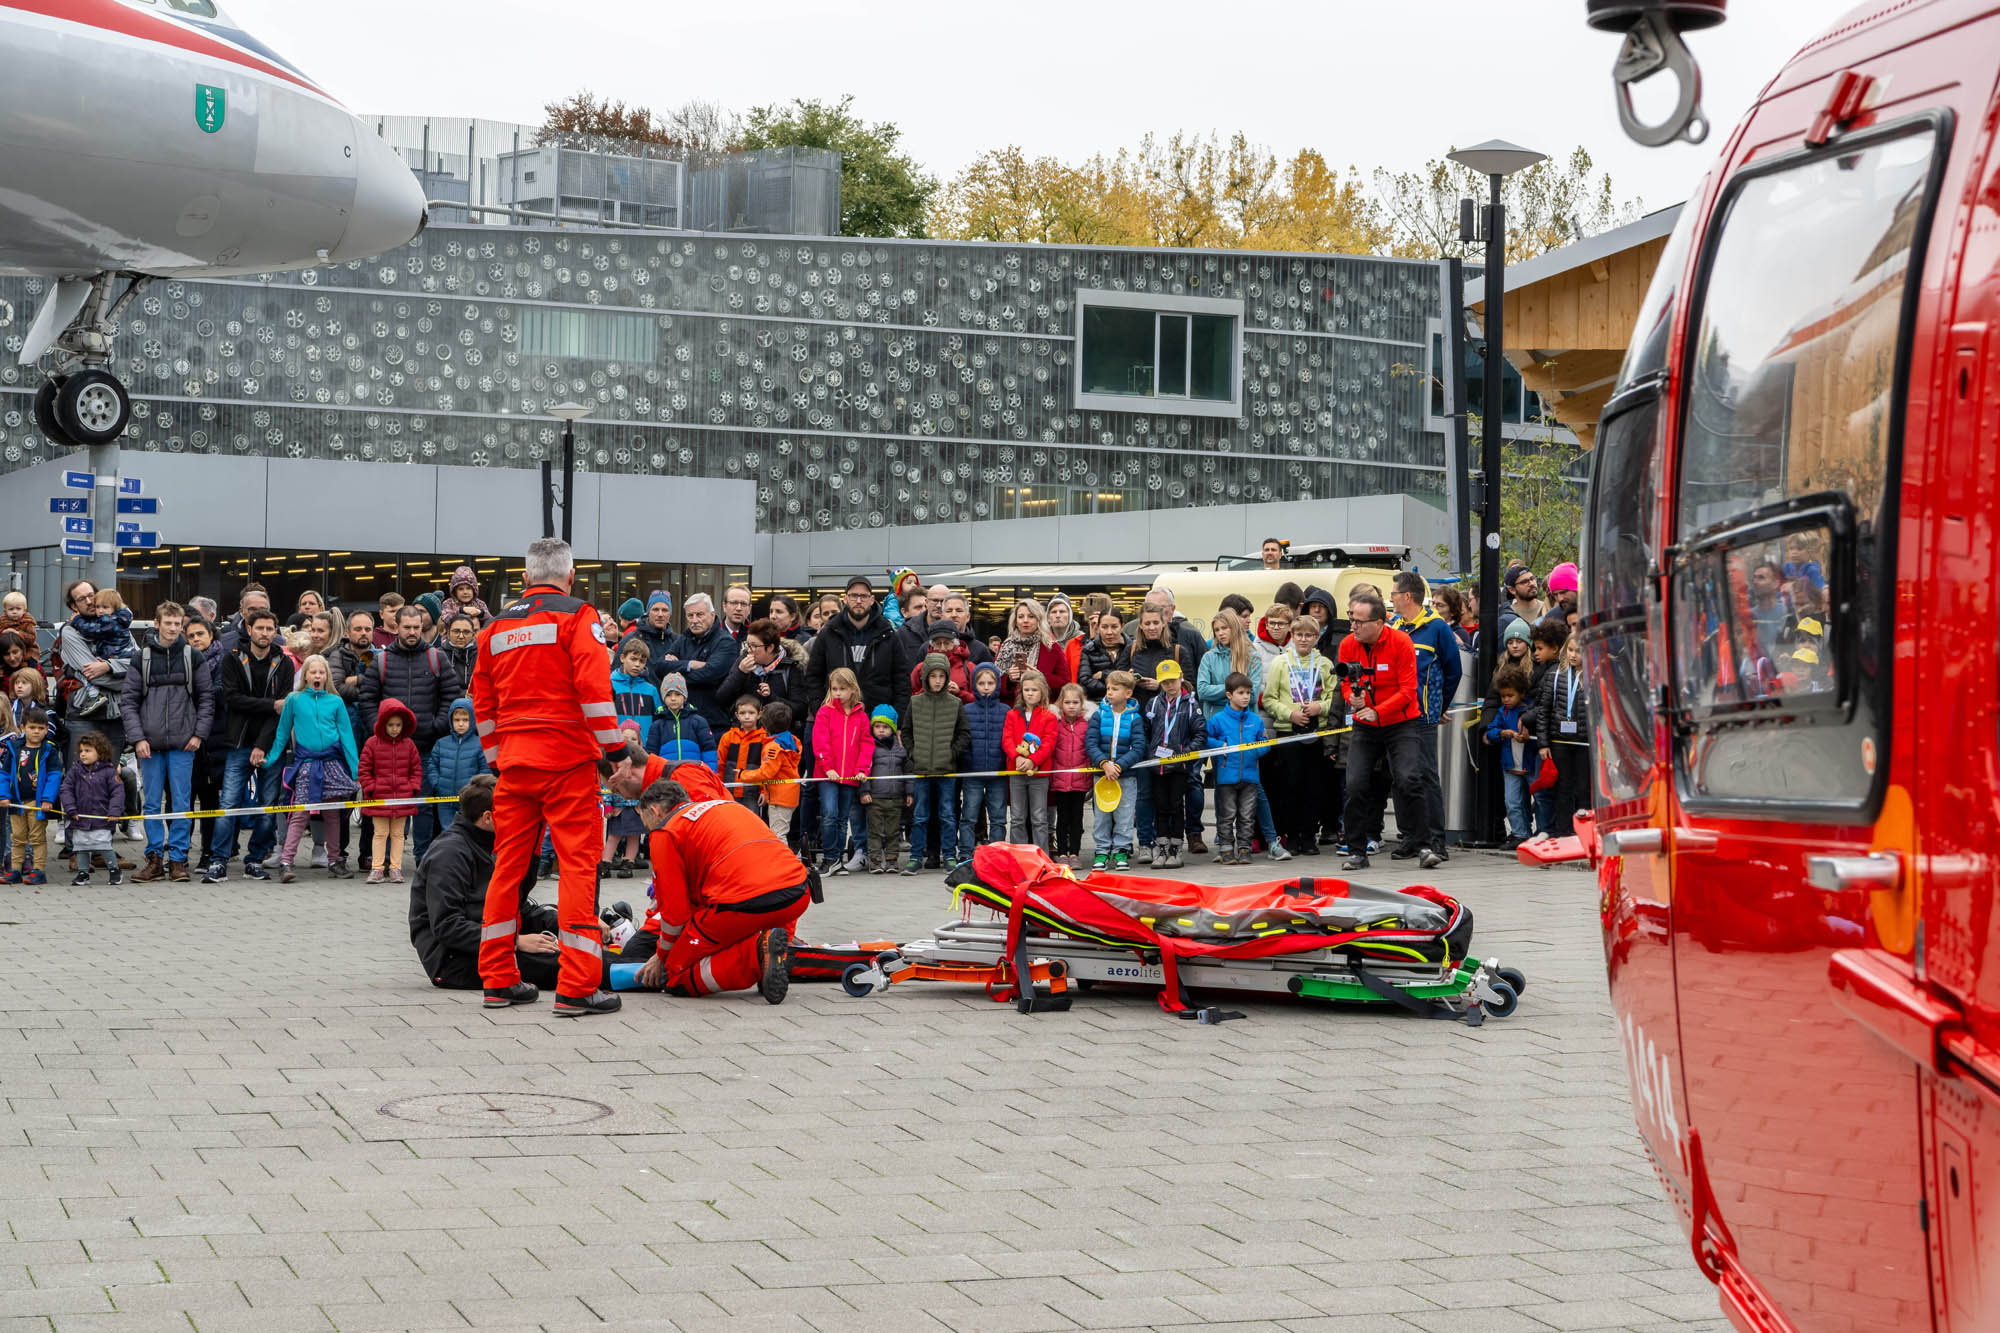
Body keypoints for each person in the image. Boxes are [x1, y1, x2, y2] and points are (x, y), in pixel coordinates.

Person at [474, 538, 628, 1018]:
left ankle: (498, 980)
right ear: (571, 575)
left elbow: (482, 700)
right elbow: (594, 688)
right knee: (577, 867)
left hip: (515, 765)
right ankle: (577, 987)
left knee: (508, 869)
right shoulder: (579, 617)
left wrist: (499, 757)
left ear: (524, 578)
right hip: (567, 762)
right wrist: (615, 749)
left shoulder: (495, 627)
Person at [410, 775, 607, 993]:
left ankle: (633, 965)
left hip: (488, 945)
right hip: (454, 961)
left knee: (586, 954)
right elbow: (447, 926)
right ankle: (641, 976)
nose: (520, 819)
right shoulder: (449, 854)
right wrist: (517, 941)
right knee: (571, 965)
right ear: (488, 818)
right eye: (513, 814)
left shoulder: (489, 844)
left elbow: (518, 905)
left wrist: (572, 923)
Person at [628, 779, 804, 1003]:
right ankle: (768, 953)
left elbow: (675, 912)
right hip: (796, 894)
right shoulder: (726, 806)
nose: (648, 829)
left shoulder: (666, 832)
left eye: (646, 822)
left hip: (744, 903)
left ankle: (757, 954)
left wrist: (662, 956)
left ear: (654, 811)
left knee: (674, 975)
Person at [1337, 593, 1438, 872]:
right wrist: (1353, 699)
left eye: (1358, 621)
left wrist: (1378, 710)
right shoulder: (1348, 645)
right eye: (1351, 618)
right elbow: (1346, 683)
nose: (1353, 626)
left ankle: (1425, 845)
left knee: (1408, 779)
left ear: (1379, 622)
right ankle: (1357, 851)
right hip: (1365, 724)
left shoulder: (1401, 642)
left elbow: (1408, 691)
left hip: (1400, 722)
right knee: (1355, 784)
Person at [121, 600, 214, 884]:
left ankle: (177, 860)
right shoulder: (143, 658)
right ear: (157, 624)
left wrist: (198, 734)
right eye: (169, 623)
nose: (174, 628)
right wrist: (137, 738)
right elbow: (129, 701)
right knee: (151, 804)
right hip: (149, 743)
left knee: (181, 804)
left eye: (178, 624)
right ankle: (154, 859)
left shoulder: (192, 657)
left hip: (183, 744)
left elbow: (207, 699)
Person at [204, 608, 294, 883]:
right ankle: (218, 860)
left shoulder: (285, 663)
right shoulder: (232, 659)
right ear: (250, 630)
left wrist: (262, 746)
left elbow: (282, 710)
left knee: (267, 806)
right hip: (238, 742)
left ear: (275, 633)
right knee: (229, 804)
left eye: (270, 629)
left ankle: (254, 860)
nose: (265, 633)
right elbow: (233, 699)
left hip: (271, 744)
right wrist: (269, 705)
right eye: (260, 628)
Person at [262, 653, 359, 882]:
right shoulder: (294, 700)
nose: (317, 675)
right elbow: (283, 732)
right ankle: (287, 861)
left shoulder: (336, 702)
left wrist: (355, 772)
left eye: (321, 672)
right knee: (300, 813)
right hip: (306, 764)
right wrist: (271, 758)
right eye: (313, 672)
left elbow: (347, 736)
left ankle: (335, 860)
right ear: (305, 675)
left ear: (327, 676)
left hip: (332, 763)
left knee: (333, 814)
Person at [1388, 570, 1461, 863]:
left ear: (1407, 596)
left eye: (1393, 594)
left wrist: (1439, 705)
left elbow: (1453, 670)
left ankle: (1435, 840)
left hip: (1422, 714)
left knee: (1426, 776)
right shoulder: (1394, 627)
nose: (1391, 598)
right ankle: (1410, 837)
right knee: (1401, 777)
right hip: (1394, 715)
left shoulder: (1437, 628)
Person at [1261, 613, 1334, 858]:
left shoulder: (1324, 664)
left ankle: (1308, 834)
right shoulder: (1281, 663)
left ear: (1316, 637)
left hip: (1316, 731)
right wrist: (1289, 713)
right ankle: (1291, 835)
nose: (1304, 639)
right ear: (1293, 636)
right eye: (1300, 635)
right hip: (1288, 731)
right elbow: (1269, 698)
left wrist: (1319, 708)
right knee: (1289, 785)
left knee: (1314, 786)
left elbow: (1333, 698)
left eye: (1309, 635)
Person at [804, 576, 910, 717]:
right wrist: (821, 710)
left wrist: (897, 719)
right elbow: (813, 677)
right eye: (854, 595)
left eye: (863, 596)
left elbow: (901, 680)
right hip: (837, 719)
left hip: (878, 721)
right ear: (845, 598)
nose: (858, 601)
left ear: (871, 600)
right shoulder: (829, 633)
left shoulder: (887, 633)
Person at [905, 651, 968, 873]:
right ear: (925, 678)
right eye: (933, 676)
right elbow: (906, 732)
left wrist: (951, 754)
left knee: (948, 816)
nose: (938, 680)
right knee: (920, 816)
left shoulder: (954, 703)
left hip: (946, 770)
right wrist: (915, 753)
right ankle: (915, 857)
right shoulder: (915, 702)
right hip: (922, 769)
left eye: (942, 676)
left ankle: (949, 855)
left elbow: (963, 734)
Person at [812, 667, 873, 875]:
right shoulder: (825, 712)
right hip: (828, 775)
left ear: (853, 689)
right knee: (829, 814)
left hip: (850, 777)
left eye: (842, 689)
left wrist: (863, 769)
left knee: (841, 818)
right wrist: (827, 767)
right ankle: (829, 858)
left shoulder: (862, 716)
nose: (837, 693)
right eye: (834, 688)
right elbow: (820, 742)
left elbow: (866, 744)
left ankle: (837, 859)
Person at [1143, 660, 1202, 869]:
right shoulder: (1153, 704)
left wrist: (1183, 754)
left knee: (1176, 806)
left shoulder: (1191, 704)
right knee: (1160, 806)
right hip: (1157, 766)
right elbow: (1146, 732)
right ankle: (1162, 848)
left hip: (1179, 767)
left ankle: (1176, 848)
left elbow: (1200, 734)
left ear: (1181, 678)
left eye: (1173, 680)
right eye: (1165, 682)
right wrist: (1150, 754)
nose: (1170, 685)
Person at [1085, 670, 1146, 871]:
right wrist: (1104, 764)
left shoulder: (1136, 718)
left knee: (1125, 814)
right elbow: (1091, 743)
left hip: (1126, 776)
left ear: (1128, 693)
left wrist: (1119, 766)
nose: (1109, 692)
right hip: (1102, 776)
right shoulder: (1099, 715)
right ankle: (1102, 850)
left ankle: (1122, 849)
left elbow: (1138, 747)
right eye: (1108, 688)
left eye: (1115, 689)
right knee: (1102, 814)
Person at [1206, 673, 1267, 866]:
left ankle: (1244, 849)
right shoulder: (1217, 720)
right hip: (1226, 777)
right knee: (1227, 815)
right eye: (1241, 692)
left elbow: (1265, 742)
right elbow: (1206, 739)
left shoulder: (1255, 720)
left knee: (1247, 816)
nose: (1246, 697)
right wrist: (1220, 745)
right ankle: (1225, 849)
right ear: (1229, 695)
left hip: (1250, 776)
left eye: (1248, 692)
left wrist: (1256, 750)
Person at [358, 700, 421, 884]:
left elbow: (416, 768)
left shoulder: (409, 745)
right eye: (391, 725)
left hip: (402, 798)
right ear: (383, 723)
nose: (395, 729)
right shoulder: (372, 743)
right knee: (379, 833)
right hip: (379, 798)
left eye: (398, 725)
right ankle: (377, 868)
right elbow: (363, 769)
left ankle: (395, 867)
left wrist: (412, 787)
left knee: (398, 835)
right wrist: (371, 788)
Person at [1537, 636, 1591, 838]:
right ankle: (1563, 831)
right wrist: (1543, 743)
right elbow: (1543, 710)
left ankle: (1585, 833)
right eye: (1570, 650)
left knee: (1584, 789)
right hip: (1560, 741)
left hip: (1585, 741)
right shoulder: (1555, 675)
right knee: (1563, 787)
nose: (1574, 655)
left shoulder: (1593, 674)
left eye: (1578, 651)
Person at [1002, 669, 1057, 854]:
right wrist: (1016, 757)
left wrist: (1033, 761)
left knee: (1039, 817)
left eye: (1034, 690)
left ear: (1042, 692)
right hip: (1016, 772)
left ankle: (1042, 855)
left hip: (1039, 773)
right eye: (1026, 690)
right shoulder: (1012, 715)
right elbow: (1007, 739)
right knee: (1017, 817)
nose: (1030, 693)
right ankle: (1019, 855)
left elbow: (1049, 743)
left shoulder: (1048, 716)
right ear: (1021, 692)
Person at [1, 709, 59, 884]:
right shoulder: (14, 748)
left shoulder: (49, 750)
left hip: (37, 802)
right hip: (16, 802)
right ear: (23, 727)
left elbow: (54, 775)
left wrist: (48, 799)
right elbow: (3, 774)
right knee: (17, 837)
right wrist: (4, 795)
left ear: (46, 730)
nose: (36, 731)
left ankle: (38, 870)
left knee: (37, 838)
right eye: (32, 727)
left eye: (41, 728)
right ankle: (15, 870)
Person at [716, 618, 808, 727]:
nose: (749, 650)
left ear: (770, 648)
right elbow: (721, 699)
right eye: (747, 644)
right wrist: (740, 673)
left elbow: (800, 710)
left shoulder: (790, 666)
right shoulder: (743, 661)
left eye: (754, 646)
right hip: (746, 734)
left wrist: (771, 698)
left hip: (776, 736)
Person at [959, 662, 1008, 859]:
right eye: (981, 683)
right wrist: (967, 762)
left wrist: (1003, 763)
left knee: (998, 817)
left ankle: (996, 854)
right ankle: (966, 853)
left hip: (998, 773)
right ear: (974, 684)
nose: (986, 687)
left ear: (997, 685)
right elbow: (963, 739)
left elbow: (1008, 739)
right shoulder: (967, 710)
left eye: (990, 683)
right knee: (969, 816)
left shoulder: (1005, 710)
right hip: (973, 773)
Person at [61, 730, 123, 885]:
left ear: (100, 752)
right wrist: (70, 809)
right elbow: (66, 789)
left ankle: (114, 870)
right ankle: (83, 873)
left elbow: (118, 793)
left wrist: (114, 811)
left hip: (102, 818)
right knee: (81, 846)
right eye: (81, 751)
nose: (83, 754)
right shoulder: (75, 771)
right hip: (80, 817)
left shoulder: (109, 772)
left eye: (87, 751)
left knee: (103, 845)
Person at [666, 593, 736, 729]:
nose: (694, 620)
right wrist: (690, 664)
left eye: (700, 615)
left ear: (712, 614)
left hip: (714, 723)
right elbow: (660, 666)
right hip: (682, 720)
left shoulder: (725, 642)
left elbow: (709, 673)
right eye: (690, 615)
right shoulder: (683, 640)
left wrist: (675, 674)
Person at [1486, 665, 1536, 847]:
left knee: (1538, 799)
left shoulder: (1531, 710)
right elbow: (1490, 732)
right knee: (1512, 801)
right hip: (1510, 765)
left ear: (1521, 693)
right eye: (1503, 696)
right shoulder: (1502, 712)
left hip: (1529, 763)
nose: (1506, 699)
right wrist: (1501, 733)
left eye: (1510, 695)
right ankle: (1519, 833)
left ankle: (1535, 831)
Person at [423, 699, 487, 841]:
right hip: (445, 800)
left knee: (468, 833)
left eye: (465, 719)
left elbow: (484, 771)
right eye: (456, 719)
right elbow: (432, 765)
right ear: (451, 720)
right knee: (448, 833)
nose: (460, 723)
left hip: (468, 801)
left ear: (473, 720)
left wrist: (475, 791)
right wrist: (437, 783)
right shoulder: (441, 743)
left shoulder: (479, 744)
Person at [861, 705, 912, 873]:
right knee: (875, 831)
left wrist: (909, 792)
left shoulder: (900, 749)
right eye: (877, 726)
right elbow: (863, 770)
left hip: (896, 798)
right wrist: (864, 791)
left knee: (893, 831)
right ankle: (875, 860)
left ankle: (891, 860)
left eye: (885, 727)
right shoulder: (869, 748)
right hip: (875, 798)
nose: (881, 730)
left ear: (893, 729)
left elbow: (908, 771)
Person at [740, 702, 801, 840]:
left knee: (778, 836)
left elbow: (766, 773)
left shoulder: (773, 747)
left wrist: (742, 774)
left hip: (780, 798)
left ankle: (784, 862)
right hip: (786, 795)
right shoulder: (790, 740)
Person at [1047, 683, 1092, 869]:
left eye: (1075, 702)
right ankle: (1062, 852)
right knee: (1062, 818)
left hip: (1080, 779)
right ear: (1061, 704)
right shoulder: (1055, 724)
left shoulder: (1087, 725)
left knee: (1077, 818)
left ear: (1082, 704)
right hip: (1060, 779)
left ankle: (1075, 853)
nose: (1071, 706)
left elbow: (1089, 750)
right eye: (1067, 702)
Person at [995, 599, 1070, 703]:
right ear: (1015, 622)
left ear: (1038, 619)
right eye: (1021, 617)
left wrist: (1040, 677)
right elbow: (993, 685)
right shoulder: (1004, 648)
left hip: (1043, 711)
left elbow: (1065, 684)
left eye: (1031, 616)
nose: (1025, 620)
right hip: (1012, 712)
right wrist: (1009, 680)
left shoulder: (1052, 648)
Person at [650, 674, 717, 770]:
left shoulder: (699, 722)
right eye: (668, 695)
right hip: (667, 779)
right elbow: (651, 756)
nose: (673, 698)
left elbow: (709, 750)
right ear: (663, 698)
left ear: (685, 696)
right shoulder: (657, 725)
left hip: (694, 777)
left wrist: (710, 775)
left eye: (678, 694)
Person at [716, 695, 769, 809]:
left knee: (752, 824)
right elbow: (720, 765)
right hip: (729, 792)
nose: (747, 716)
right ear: (737, 715)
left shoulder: (764, 738)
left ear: (759, 714)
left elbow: (767, 768)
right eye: (742, 713)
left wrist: (765, 791)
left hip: (752, 794)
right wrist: (718, 787)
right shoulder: (728, 737)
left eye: (751, 713)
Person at [909, 622, 973, 703]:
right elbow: (910, 699)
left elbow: (977, 701)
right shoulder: (920, 669)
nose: (942, 648)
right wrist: (927, 690)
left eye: (947, 643)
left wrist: (959, 693)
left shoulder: (969, 668)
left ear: (955, 644)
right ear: (932, 645)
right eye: (938, 643)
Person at [611, 641, 665, 735]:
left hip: (645, 746)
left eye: (642, 661)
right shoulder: (610, 685)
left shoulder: (651, 690)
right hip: (617, 745)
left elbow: (659, 721)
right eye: (633, 659)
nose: (637, 664)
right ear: (622, 658)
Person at [621, 592, 679, 679]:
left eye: (665, 610)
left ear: (669, 614)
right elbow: (617, 674)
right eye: (655, 609)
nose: (660, 614)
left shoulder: (678, 642)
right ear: (648, 612)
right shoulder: (631, 638)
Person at [1079, 612, 1131, 702]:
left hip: (1128, 703)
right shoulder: (1089, 650)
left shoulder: (1133, 648)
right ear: (1098, 627)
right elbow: (1084, 681)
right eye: (1104, 627)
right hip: (1097, 703)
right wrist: (1117, 689)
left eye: (1114, 627)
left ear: (1122, 627)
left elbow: (1133, 678)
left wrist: (1103, 675)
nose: (1109, 632)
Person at [1046, 593, 1085, 688]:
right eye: (1054, 612)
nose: (1058, 615)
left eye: (1062, 611)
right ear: (1048, 617)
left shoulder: (1081, 640)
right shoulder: (1041, 640)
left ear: (1070, 615)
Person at [439, 614, 479, 692]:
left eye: (466, 632)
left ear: (473, 634)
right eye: (456, 631)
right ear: (448, 633)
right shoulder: (438, 655)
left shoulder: (481, 655)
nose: (461, 636)